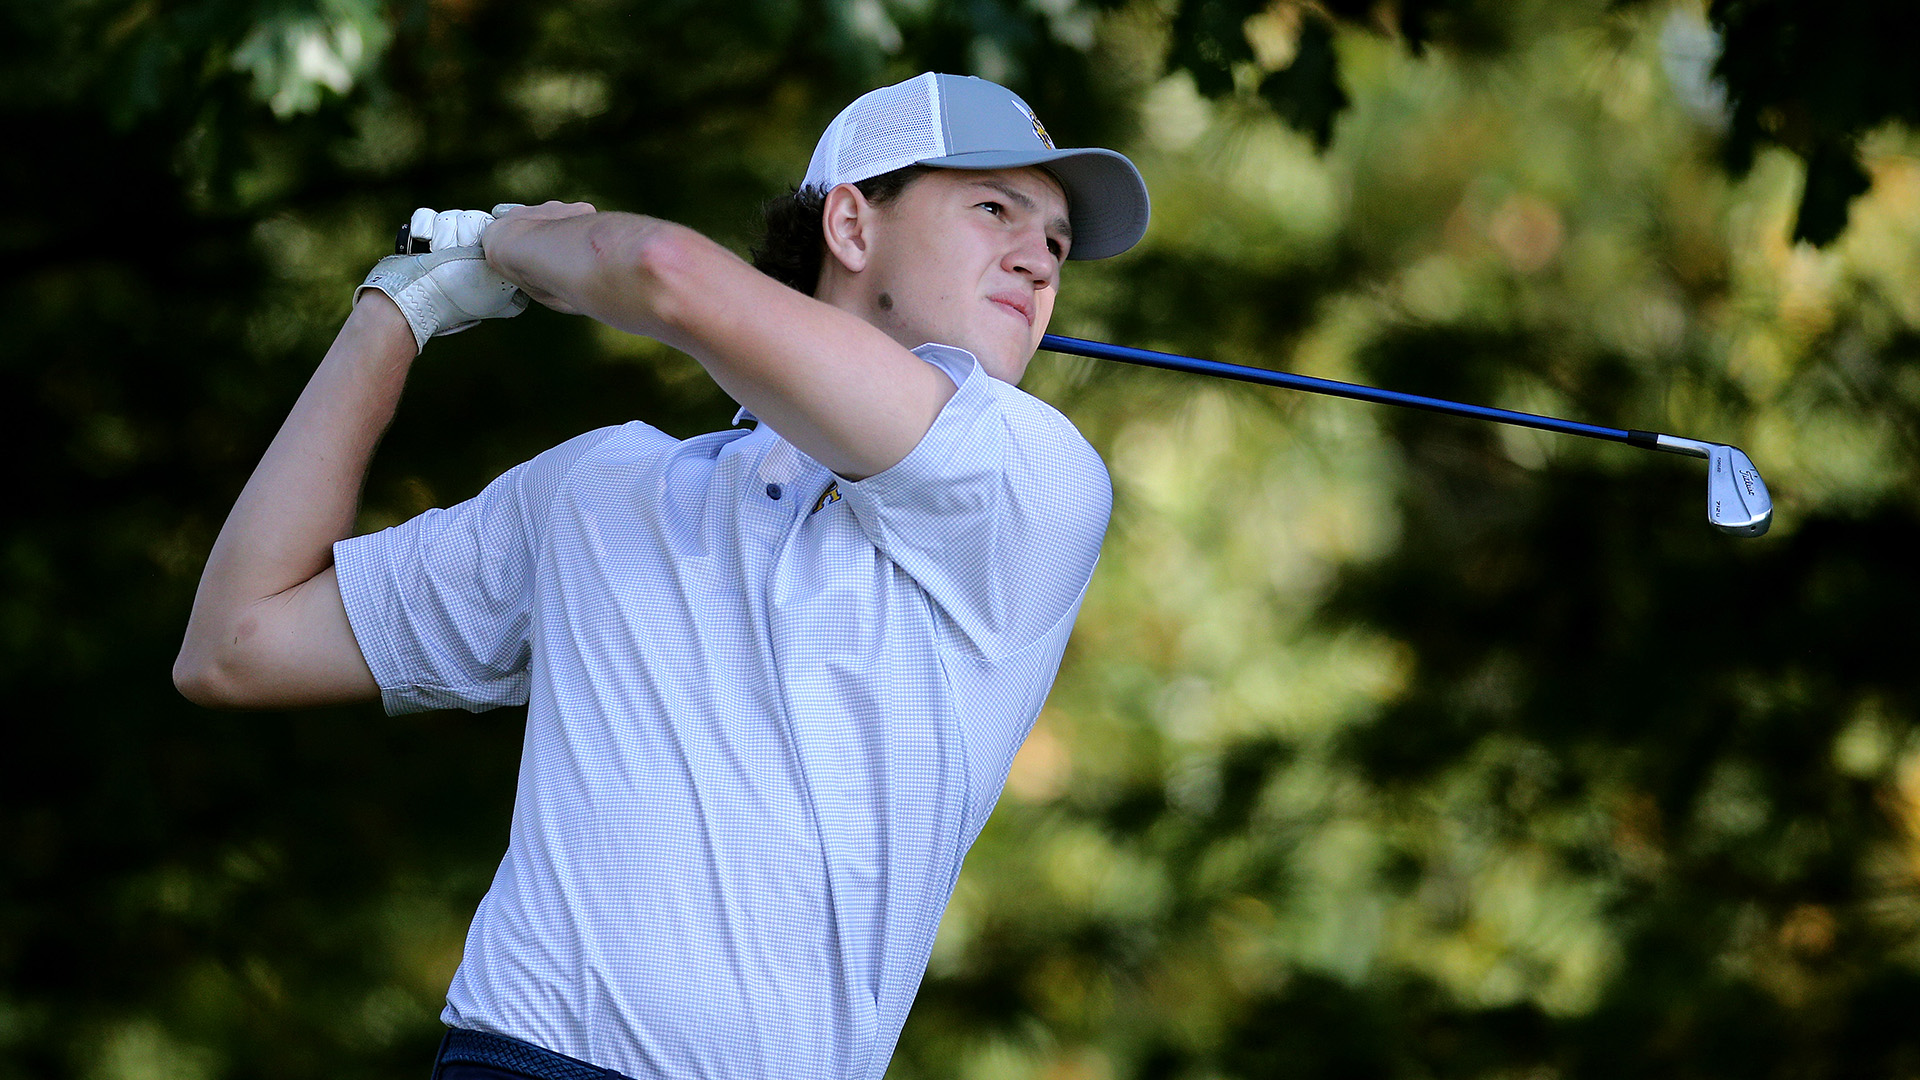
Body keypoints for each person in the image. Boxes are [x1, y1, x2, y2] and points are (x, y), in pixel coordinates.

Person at [174, 72, 1150, 1080]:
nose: (1038, 260)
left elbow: (664, 269)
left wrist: (507, 243)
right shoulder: (602, 488)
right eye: (996, 209)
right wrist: (398, 308)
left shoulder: (1033, 481)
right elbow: (236, 646)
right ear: (852, 227)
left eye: (1059, 244)